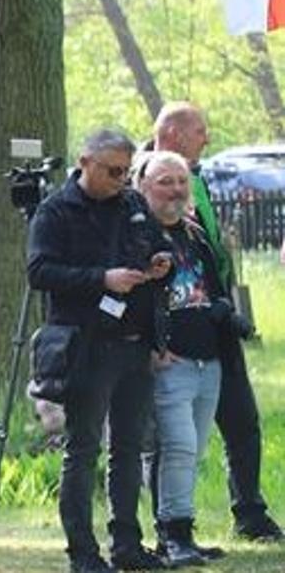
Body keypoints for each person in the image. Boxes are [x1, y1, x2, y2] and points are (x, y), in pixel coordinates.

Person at [29, 130, 175, 573]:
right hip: (86, 345)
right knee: (83, 449)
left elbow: (158, 243)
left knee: (128, 448)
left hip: (134, 342)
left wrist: (161, 263)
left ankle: (127, 545)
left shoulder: (131, 204)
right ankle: (83, 554)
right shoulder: (56, 210)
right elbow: (39, 271)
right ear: (85, 162)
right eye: (112, 171)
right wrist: (102, 279)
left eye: (126, 172)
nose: (120, 180)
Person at [152, 102, 283, 543]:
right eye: (199, 131)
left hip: (218, 316)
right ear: (173, 133)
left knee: (242, 418)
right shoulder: (148, 181)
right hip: (176, 329)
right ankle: (171, 525)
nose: (207, 139)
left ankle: (249, 511)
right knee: (175, 435)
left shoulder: (197, 178)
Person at [138, 150, 258, 565]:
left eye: (180, 182)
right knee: (178, 446)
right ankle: (172, 535)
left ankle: (183, 531)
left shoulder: (194, 234)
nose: (175, 189)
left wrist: (226, 314)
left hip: (210, 357)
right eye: (164, 181)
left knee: (194, 448)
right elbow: (134, 296)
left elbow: (213, 286)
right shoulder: (137, 237)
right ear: (143, 187)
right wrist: (149, 344)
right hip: (170, 358)